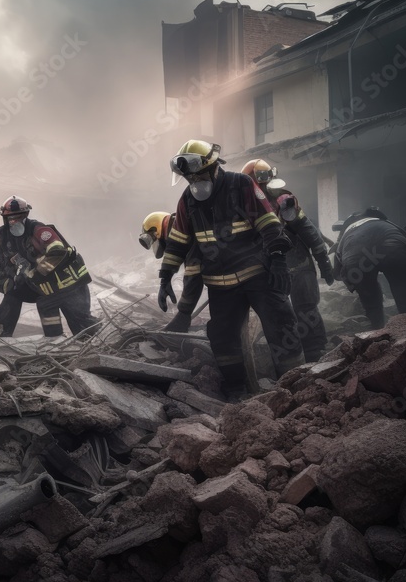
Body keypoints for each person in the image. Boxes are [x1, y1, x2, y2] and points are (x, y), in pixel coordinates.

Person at [160, 140, 302, 396]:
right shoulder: (187, 200)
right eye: (189, 178)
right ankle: (237, 391)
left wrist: (279, 259)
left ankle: (296, 387)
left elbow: (269, 223)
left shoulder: (241, 184)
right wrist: (165, 276)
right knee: (222, 339)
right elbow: (178, 242)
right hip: (220, 286)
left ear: (213, 167)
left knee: (282, 327)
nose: (193, 181)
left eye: (197, 175)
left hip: (258, 276)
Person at [242, 159, 334, 362]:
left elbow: (309, 232)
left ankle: (316, 353)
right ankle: (291, 358)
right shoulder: (244, 207)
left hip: (298, 263)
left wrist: (324, 263)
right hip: (270, 268)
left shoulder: (283, 200)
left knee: (305, 308)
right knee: (280, 313)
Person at [0, 195, 99, 337]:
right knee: (13, 298)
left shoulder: (39, 230)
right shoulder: (0, 237)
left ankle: (95, 338)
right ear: (5, 219)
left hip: (69, 283)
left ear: (26, 215)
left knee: (82, 326)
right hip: (41, 286)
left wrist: (36, 273)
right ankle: (7, 336)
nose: (14, 222)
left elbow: (57, 251)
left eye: (19, 217)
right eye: (10, 218)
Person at [332, 207, 406, 329]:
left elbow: (338, 274)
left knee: (372, 307)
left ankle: (377, 332)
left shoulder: (346, 234)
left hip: (356, 257)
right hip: (394, 244)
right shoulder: (384, 222)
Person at [138, 211, 203, 332]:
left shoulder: (187, 230)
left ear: (156, 231)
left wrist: (183, 313)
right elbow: (174, 253)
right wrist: (165, 281)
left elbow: (194, 276)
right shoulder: (184, 228)